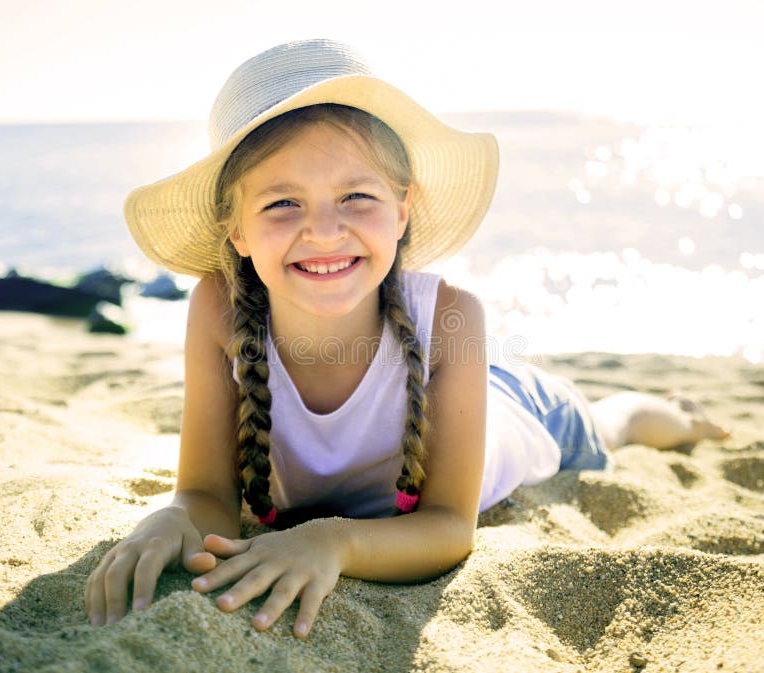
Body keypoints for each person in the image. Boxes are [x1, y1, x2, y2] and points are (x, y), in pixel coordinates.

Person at [85, 39, 729, 638]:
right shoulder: (218, 307)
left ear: (402, 210)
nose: (324, 231)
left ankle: (682, 414)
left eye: (355, 196)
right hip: (456, 393)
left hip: (525, 414)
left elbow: (449, 528)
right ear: (237, 231)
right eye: (282, 203)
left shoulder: (454, 317)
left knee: (614, 423)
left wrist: (334, 540)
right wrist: (175, 518)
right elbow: (206, 496)